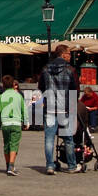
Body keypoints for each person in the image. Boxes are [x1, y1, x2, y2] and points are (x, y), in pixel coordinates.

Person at [40, 43, 80, 174]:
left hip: (50, 108)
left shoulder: (45, 69)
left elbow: (41, 87)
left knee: (49, 138)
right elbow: (75, 89)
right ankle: (72, 166)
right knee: (68, 138)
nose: (70, 56)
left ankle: (50, 165)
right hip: (65, 108)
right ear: (63, 55)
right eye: (69, 54)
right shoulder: (70, 70)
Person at [0, 75, 27, 176]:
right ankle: (11, 166)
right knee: (14, 144)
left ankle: (7, 166)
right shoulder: (18, 95)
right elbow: (24, 110)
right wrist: (26, 121)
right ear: (13, 84)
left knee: (6, 144)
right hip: (16, 123)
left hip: (5, 123)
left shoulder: (1, 96)